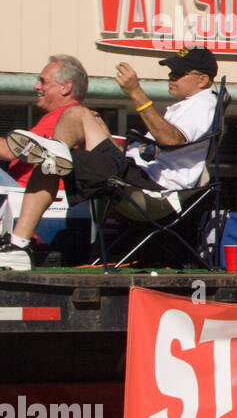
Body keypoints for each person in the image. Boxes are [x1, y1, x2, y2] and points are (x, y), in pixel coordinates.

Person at [0, 47, 220, 271]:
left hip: (153, 189)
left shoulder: (204, 103)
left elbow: (172, 140)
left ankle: (19, 245)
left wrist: (136, 93)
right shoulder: (186, 105)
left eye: (179, 73)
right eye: (171, 72)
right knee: (74, 122)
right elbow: (153, 151)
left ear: (202, 80)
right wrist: (105, 136)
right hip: (137, 174)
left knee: (50, 161)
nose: (171, 77)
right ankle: (55, 153)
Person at [0, 55, 92, 188]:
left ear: (65, 87)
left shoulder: (68, 116)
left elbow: (11, 150)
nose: (36, 86)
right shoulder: (61, 115)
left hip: (29, 197)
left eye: (43, 81)